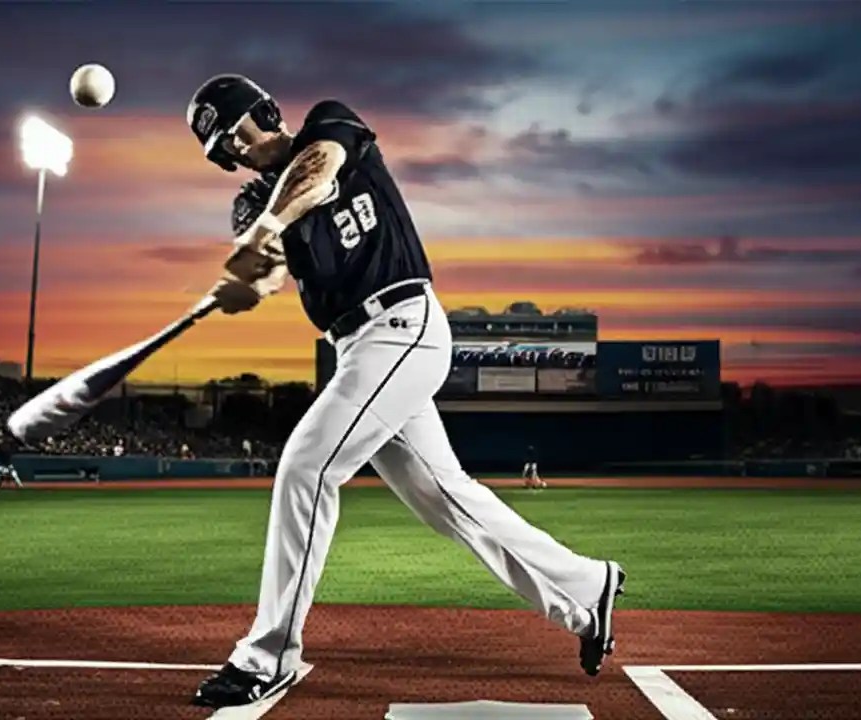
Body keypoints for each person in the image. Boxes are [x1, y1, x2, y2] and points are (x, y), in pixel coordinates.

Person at [183, 75, 625, 710]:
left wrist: (267, 229)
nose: (233, 152)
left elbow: (318, 171)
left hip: (404, 324)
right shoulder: (250, 207)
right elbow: (270, 274)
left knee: (306, 468)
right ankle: (586, 589)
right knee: (447, 500)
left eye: (234, 133)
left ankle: (268, 654)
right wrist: (248, 280)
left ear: (266, 112)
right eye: (220, 150)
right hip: (356, 349)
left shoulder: (327, 126)